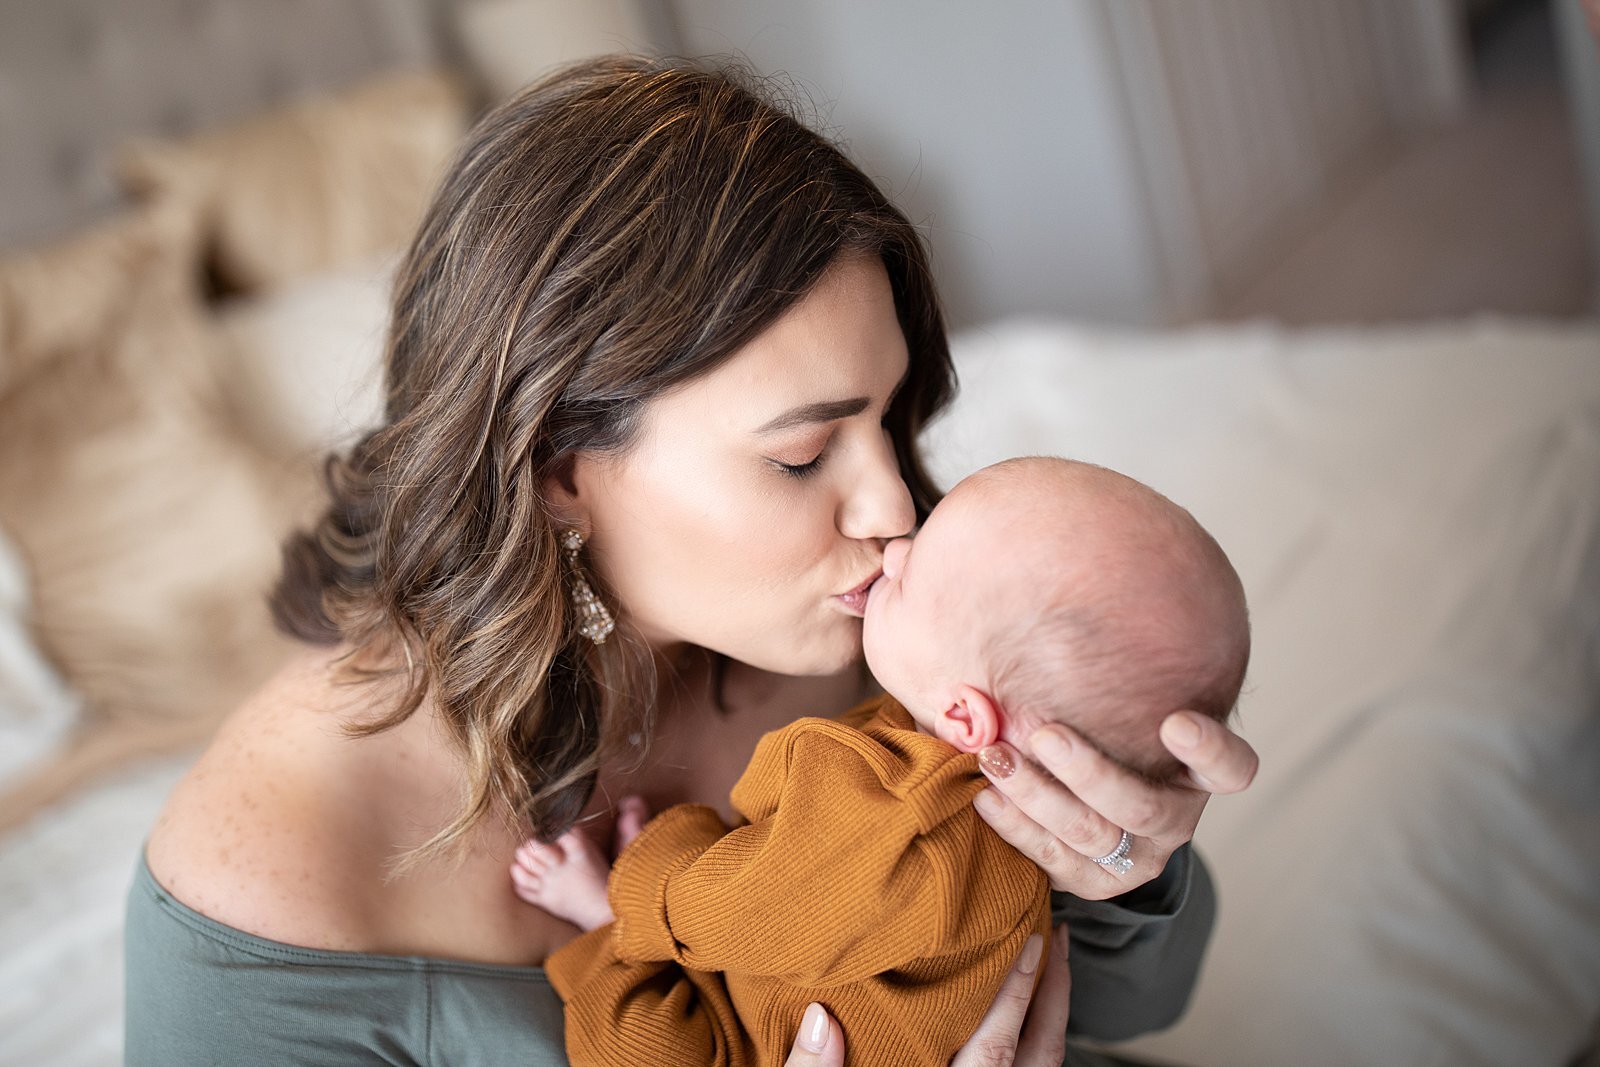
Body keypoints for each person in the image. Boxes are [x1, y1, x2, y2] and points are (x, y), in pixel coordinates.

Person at [126, 56, 1260, 1066]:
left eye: (888, 418)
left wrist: (1123, 865)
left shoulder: (902, 615)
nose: (894, 508)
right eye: (803, 453)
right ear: (562, 465)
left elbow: (1128, 1001)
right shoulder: (271, 873)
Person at [513, 456, 1251, 1066]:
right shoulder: (956, 713)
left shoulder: (891, 806)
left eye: (919, 565)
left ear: (964, 716)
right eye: (801, 453)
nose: (895, 527)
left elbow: (754, 903)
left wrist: (629, 893)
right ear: (571, 469)